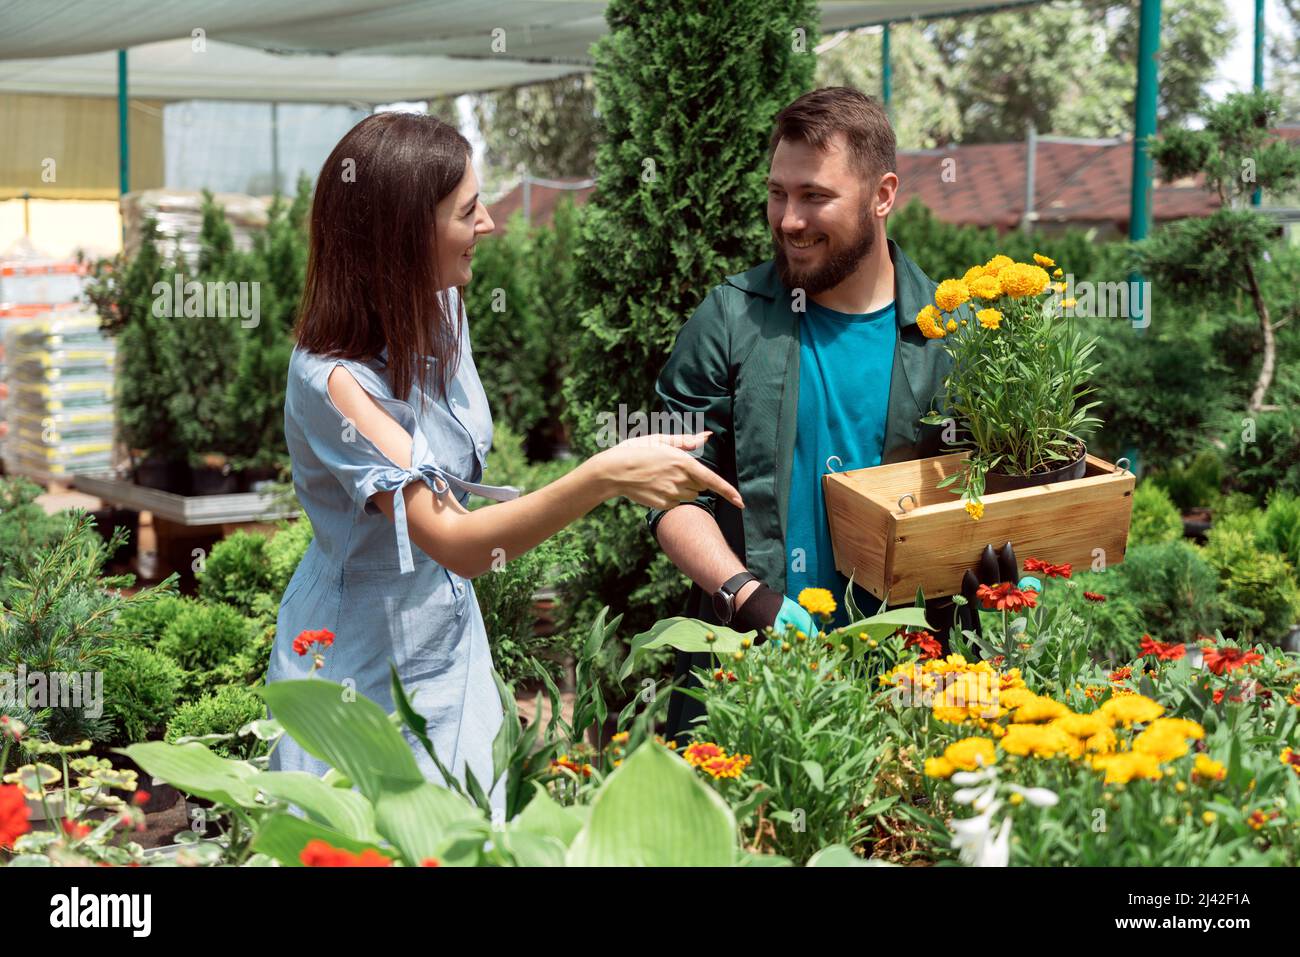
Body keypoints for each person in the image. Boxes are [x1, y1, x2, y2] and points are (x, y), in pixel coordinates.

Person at [265, 112, 741, 813]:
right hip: (356, 670)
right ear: (403, 235)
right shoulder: (336, 384)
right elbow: (455, 540)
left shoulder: (441, 308)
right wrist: (603, 475)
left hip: (450, 647)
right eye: (467, 211)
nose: (489, 224)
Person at [648, 87, 971, 742]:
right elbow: (672, 495)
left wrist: (992, 557)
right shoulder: (730, 320)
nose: (789, 219)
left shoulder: (951, 334)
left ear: (883, 195)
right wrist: (745, 593)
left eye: (814, 196)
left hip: (909, 677)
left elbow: (985, 497)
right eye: (778, 193)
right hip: (746, 673)